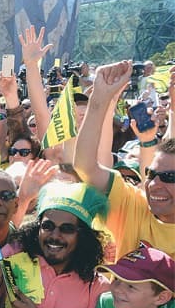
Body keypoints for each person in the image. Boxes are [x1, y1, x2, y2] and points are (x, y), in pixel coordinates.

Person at [73, 60, 175, 258]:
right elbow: (85, 166)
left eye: (169, 176)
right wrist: (99, 98)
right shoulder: (136, 207)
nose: (153, 184)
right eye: (151, 174)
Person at [0, 182, 110, 308]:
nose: (55, 236)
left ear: (83, 236)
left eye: (67, 229)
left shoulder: (95, 285)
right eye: (48, 226)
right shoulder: (13, 255)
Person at [92, 244, 174, 308]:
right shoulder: (106, 303)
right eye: (116, 279)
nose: (117, 289)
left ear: (161, 298)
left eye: (131, 286)